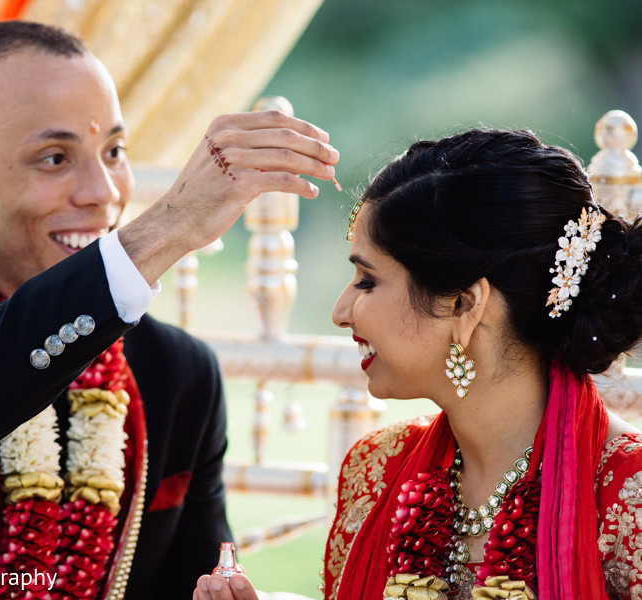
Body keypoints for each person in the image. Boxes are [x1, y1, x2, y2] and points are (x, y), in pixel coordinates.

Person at [0, 21, 338, 600]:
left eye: (114, 151)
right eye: (55, 158)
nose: (103, 192)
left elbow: (191, 582)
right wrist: (162, 230)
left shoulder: (177, 372)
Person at [192, 128, 642, 600]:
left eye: (367, 280)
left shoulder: (625, 496)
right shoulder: (377, 469)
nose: (340, 311)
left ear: (464, 305)